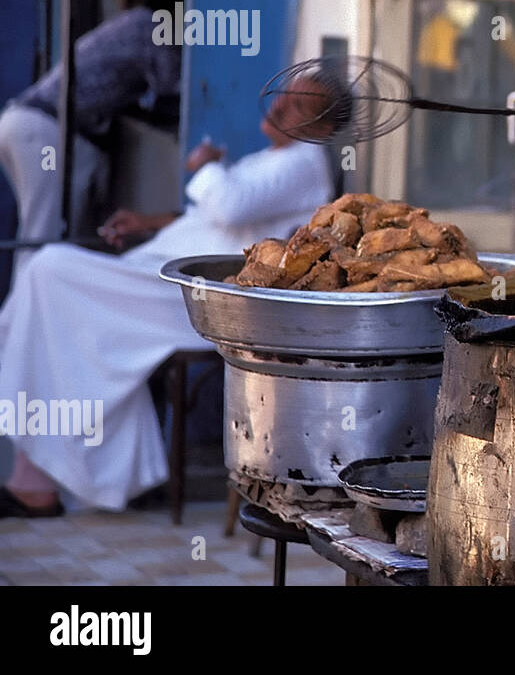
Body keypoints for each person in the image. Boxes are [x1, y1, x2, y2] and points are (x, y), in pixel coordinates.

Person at [0, 80, 335, 517]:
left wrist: (205, 166)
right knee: (61, 316)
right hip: (158, 273)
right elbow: (211, 219)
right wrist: (148, 222)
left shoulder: (307, 161)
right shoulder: (273, 158)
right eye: (284, 97)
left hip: (190, 297)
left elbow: (232, 206)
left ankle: (42, 480)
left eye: (298, 107)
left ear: (324, 128)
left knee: (50, 268)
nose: (282, 107)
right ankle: (51, 478)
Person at [0, 0, 186, 282]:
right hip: (45, 134)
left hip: (22, 125)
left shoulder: (131, 23)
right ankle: (20, 323)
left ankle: (28, 316)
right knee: (44, 239)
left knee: (43, 231)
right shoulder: (153, 28)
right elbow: (175, 91)